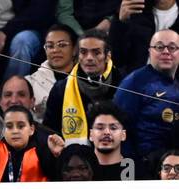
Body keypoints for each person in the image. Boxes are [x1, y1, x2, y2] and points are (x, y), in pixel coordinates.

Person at [115, 28, 179, 159]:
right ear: (150, 51)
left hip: (170, 164)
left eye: (172, 47)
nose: (166, 52)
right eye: (159, 47)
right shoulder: (135, 82)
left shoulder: (176, 85)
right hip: (144, 165)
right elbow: (119, 128)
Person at [44, 29, 116, 144]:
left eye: (96, 53)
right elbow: (49, 131)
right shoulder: (60, 89)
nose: (89, 58)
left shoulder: (122, 84)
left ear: (107, 56)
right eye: (83, 52)